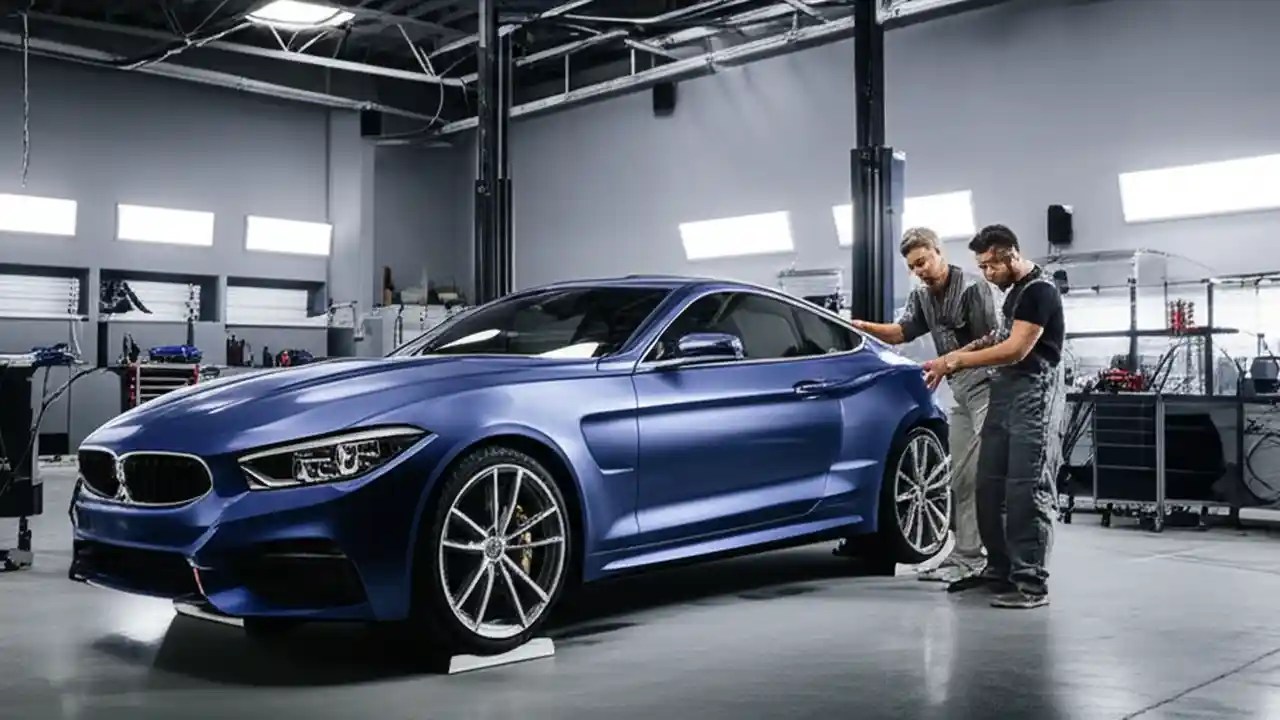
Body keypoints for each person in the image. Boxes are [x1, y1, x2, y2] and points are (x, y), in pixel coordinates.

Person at [835, 227, 998, 583]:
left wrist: (948, 361)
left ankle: (994, 559)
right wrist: (858, 327)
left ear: (939, 252)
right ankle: (966, 556)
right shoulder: (922, 296)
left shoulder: (973, 288)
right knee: (959, 477)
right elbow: (901, 332)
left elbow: (991, 340)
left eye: (922, 262)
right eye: (912, 266)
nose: (919, 271)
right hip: (959, 390)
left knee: (982, 474)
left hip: (987, 387)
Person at [922, 224, 1066, 609]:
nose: (986, 274)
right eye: (981, 266)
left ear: (1012, 255)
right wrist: (948, 358)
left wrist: (960, 361)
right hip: (1004, 393)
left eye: (991, 266)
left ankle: (1030, 583)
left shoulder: (1039, 291)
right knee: (989, 486)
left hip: (1034, 396)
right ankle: (999, 571)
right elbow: (997, 338)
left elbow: (1016, 349)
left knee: (1025, 490)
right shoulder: (1013, 292)